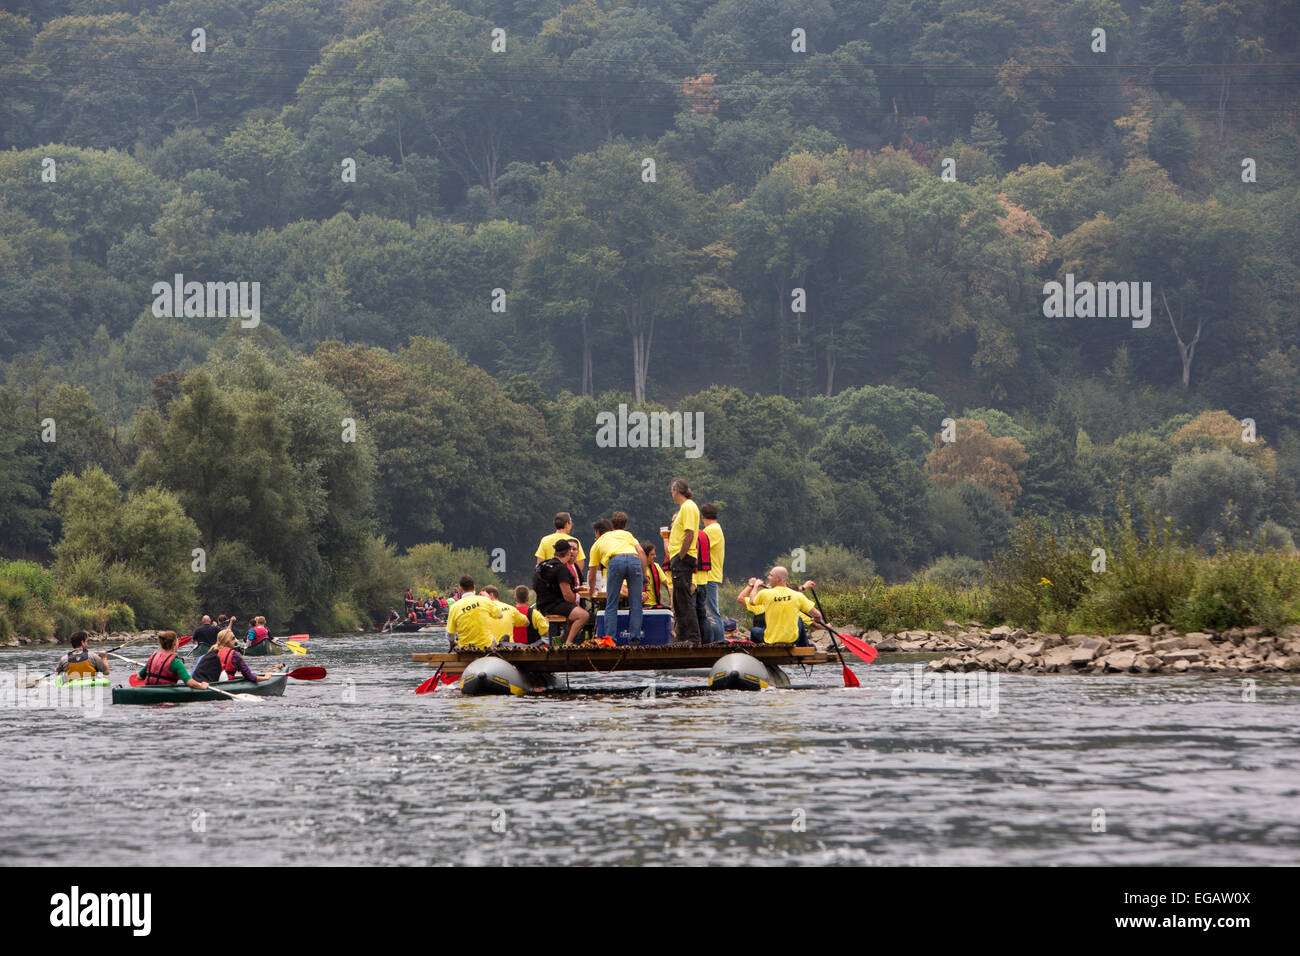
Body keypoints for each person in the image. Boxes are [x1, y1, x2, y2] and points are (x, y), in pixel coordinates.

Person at [588, 512, 648, 645]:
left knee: (611, 605)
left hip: (615, 561)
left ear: (597, 533)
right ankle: (634, 640)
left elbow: (592, 574)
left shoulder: (597, 544)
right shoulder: (627, 534)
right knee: (636, 604)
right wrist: (645, 575)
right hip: (634, 560)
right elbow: (642, 553)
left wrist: (592, 592)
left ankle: (610, 640)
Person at [736, 567, 826, 645]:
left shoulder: (765, 594)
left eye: (770, 575)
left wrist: (754, 586)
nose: (768, 577)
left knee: (754, 630)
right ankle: (805, 647)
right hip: (793, 640)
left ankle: (755, 654)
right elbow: (817, 615)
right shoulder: (797, 595)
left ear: (778, 578)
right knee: (799, 619)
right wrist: (819, 621)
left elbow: (750, 600)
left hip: (770, 640)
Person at [533, 539, 589, 645]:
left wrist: (575, 589)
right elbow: (568, 596)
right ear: (568, 552)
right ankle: (567, 644)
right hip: (553, 605)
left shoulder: (544, 564)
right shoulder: (561, 568)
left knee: (572, 617)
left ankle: (560, 641)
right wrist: (575, 597)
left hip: (542, 603)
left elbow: (552, 586)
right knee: (583, 615)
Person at [666, 478, 702, 644]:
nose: (671, 495)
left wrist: (680, 555)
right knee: (679, 601)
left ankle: (693, 637)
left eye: (672, 491)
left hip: (682, 558)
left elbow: (689, 534)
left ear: (676, 490)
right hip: (680, 557)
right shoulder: (686, 507)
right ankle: (682, 636)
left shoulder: (687, 507)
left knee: (684, 600)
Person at [692, 502, 725, 644]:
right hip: (709, 575)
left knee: (712, 613)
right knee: (708, 612)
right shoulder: (715, 529)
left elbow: (697, 547)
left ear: (703, 516)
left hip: (709, 575)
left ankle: (719, 642)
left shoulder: (712, 530)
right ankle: (712, 641)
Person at [445, 575, 505, 650]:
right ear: (474, 587)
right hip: (486, 646)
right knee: (495, 639)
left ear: (461, 588)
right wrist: (489, 599)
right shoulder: (485, 600)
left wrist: (452, 642)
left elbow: (450, 635)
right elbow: (500, 615)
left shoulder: (454, 607)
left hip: (465, 648)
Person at [192, 628, 269, 684]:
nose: (235, 641)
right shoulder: (235, 655)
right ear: (228, 640)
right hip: (226, 682)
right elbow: (249, 676)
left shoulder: (212, 651)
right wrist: (266, 678)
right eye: (233, 639)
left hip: (210, 681)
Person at [137, 631, 208, 689]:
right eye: (177, 640)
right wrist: (202, 686)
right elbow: (189, 683)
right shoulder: (176, 662)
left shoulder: (153, 657)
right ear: (174, 643)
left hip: (149, 692)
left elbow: (139, 677)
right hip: (166, 699)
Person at [640, 539, 667, 607]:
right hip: (640, 607)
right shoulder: (634, 568)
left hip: (655, 606)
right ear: (644, 556)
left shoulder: (656, 566)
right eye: (652, 554)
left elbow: (667, 584)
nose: (655, 556)